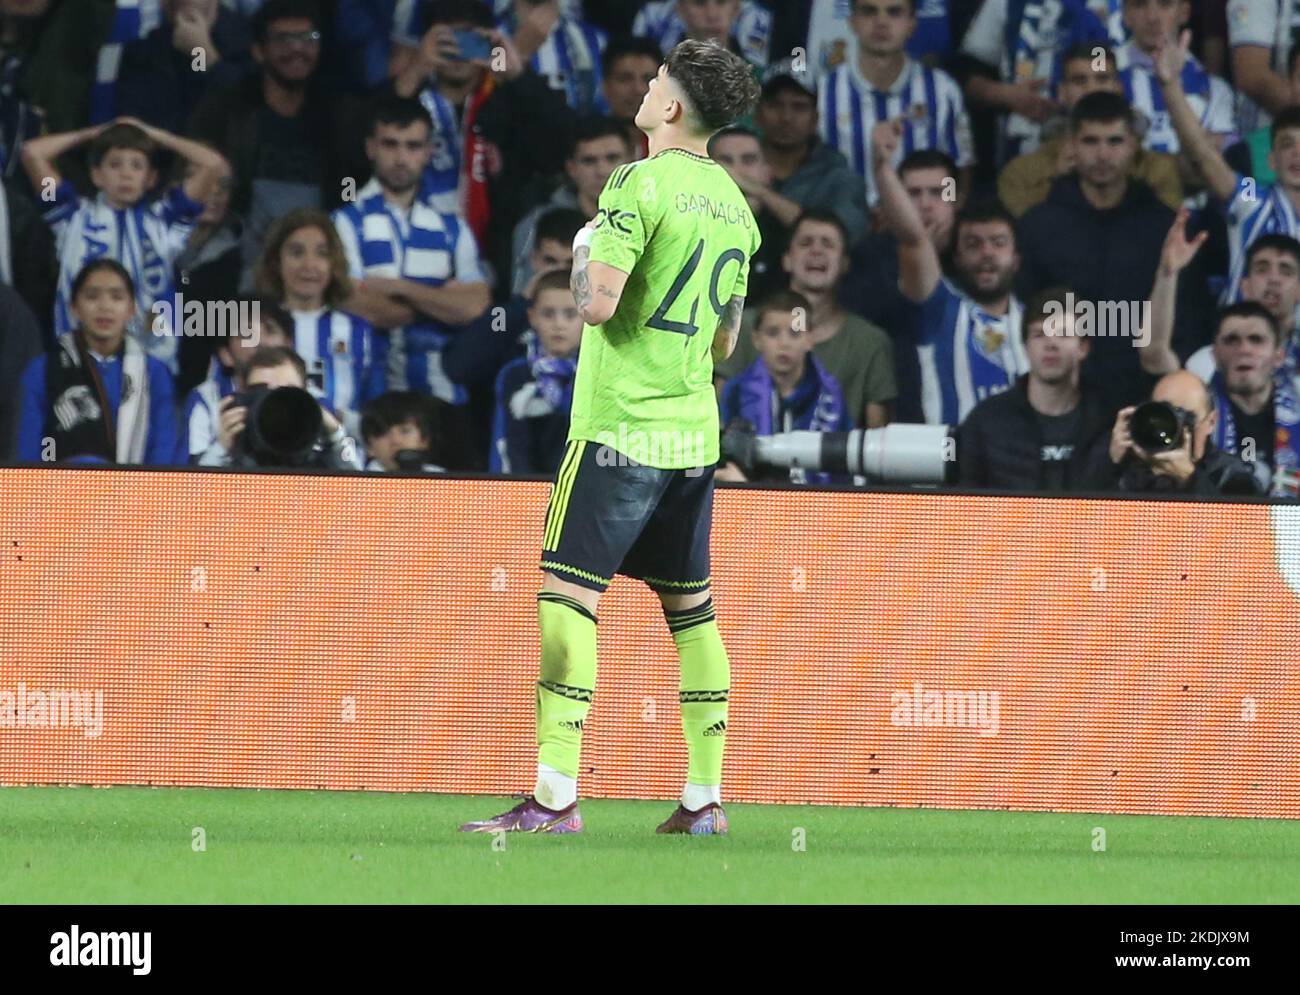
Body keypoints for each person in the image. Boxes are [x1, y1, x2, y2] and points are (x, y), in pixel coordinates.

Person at [460, 39, 760, 836]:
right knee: (692, 612)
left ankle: (555, 797)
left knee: (567, 600)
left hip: (620, 430)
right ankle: (704, 798)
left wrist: (585, 252)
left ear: (669, 106)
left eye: (657, 79)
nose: (648, 85)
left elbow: (593, 305)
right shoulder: (736, 206)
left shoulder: (636, 182)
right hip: (693, 436)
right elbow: (726, 344)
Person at [1016, 90, 1187, 411]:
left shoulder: (1164, 227)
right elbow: (1023, 317)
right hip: (1061, 399)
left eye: (1114, 141)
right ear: (1072, 146)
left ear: (1134, 145)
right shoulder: (1036, 227)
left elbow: (1186, 318)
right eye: (1091, 141)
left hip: (1146, 394)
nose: (1103, 154)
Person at [20, 116, 227, 370]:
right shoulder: (68, 215)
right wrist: (94, 133)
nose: (126, 174)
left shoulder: (167, 220)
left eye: (137, 166)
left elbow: (212, 163)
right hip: (80, 362)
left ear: (151, 178)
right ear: (96, 175)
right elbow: (32, 153)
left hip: (152, 360)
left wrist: (153, 133)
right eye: (115, 164)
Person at [333, 95, 490, 402]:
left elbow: (474, 307)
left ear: (429, 152)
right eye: (390, 144)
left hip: (441, 392)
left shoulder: (453, 226)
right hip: (367, 389)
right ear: (371, 148)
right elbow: (357, 304)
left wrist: (396, 288)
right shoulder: (344, 221)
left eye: (413, 146)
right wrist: (441, 301)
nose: (401, 157)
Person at [875, 119, 1028, 426]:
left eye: (998, 243)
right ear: (956, 257)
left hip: (1020, 468)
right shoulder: (940, 309)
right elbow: (913, 239)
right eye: (973, 244)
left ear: (1017, 259)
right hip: (951, 465)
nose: (986, 253)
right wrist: (881, 167)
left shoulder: (1036, 322)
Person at [1152, 29, 1300, 304]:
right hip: (1239, 338)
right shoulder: (1252, 197)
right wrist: (1170, 86)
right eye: (1287, 144)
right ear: (1271, 160)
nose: (1297, 154)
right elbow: (1203, 156)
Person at [714, 208, 896, 428]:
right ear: (787, 260)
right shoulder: (742, 326)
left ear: (846, 263)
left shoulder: (870, 342)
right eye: (805, 243)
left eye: (827, 244)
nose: (816, 251)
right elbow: (717, 422)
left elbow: (878, 444)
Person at [16, 258, 176, 465]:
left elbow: (164, 448)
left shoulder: (154, 373)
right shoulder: (43, 370)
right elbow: (28, 449)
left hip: (135, 493)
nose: (105, 306)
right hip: (59, 492)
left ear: (131, 309)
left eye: (116, 297)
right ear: (74, 307)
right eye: (92, 297)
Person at [956, 286, 1115, 490]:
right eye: (1040, 335)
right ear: (1025, 347)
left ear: (1083, 348)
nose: (1051, 344)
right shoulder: (986, 421)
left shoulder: (1107, 421)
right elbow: (964, 503)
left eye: (1063, 334)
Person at [998, 43, 1183, 217]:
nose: (1092, 89)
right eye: (1080, 81)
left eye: (1101, 79)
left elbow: (1163, 228)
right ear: (1062, 92)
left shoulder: (1156, 169)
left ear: (1118, 88)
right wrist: (1057, 182)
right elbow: (1025, 234)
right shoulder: (1021, 174)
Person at [819, 0, 973, 204]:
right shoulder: (823, 92)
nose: (881, 22)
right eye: (869, 11)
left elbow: (958, 169)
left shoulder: (942, 90)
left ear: (912, 23)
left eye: (894, 12)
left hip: (922, 227)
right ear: (852, 21)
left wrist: (948, 209)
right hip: (845, 227)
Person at [253, 207, 386, 441]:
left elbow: (378, 417)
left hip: (343, 460)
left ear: (334, 265)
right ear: (276, 261)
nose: (309, 265)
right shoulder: (252, 327)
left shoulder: (360, 332)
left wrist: (338, 420)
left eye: (322, 254)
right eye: (296, 253)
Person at [718, 288, 852, 485]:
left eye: (795, 334)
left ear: (810, 338)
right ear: (756, 339)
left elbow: (844, 462)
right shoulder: (735, 392)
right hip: (752, 501)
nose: (784, 343)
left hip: (817, 503)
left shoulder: (832, 397)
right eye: (773, 333)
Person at [1082, 368, 1263, 493]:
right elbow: (1081, 527)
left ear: (1210, 422)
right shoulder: (1126, 464)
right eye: (1166, 414)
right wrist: (1109, 465)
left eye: (1187, 417)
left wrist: (1191, 480)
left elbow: (1240, 540)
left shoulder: (1231, 476)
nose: (1176, 426)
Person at [752, 66, 868, 246]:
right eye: (775, 105)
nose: (786, 117)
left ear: (815, 119)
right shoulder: (733, 159)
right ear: (757, 115)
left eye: (799, 106)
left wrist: (762, 194)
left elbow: (846, 234)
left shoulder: (837, 175)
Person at [199, 345, 364, 469]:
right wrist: (221, 448)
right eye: (262, 390)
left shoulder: (319, 447)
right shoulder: (235, 450)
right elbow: (195, 500)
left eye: (286, 391)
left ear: (305, 393)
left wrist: (336, 436)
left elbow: (361, 491)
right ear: (245, 394)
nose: (274, 401)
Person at [175, 299, 294, 463]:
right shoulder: (206, 399)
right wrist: (222, 447)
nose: (261, 342)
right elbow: (189, 482)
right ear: (226, 355)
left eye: (270, 330)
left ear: (289, 344)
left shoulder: (312, 398)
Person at [490, 268, 581, 474]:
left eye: (570, 314)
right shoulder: (515, 375)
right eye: (548, 314)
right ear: (532, 317)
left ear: (586, 317)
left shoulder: (598, 374)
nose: (559, 324)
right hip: (527, 491)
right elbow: (509, 444)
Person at [361, 390, 446, 472]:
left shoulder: (444, 480)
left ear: (424, 440)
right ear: (369, 447)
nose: (396, 441)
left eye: (405, 431)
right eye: (383, 433)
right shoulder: (358, 483)